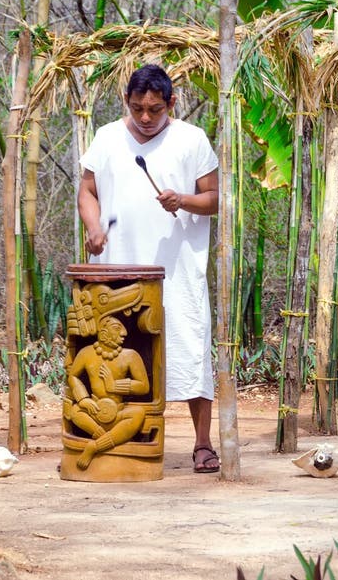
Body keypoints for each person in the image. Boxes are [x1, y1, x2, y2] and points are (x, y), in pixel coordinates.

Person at [77, 64, 221, 473]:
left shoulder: (192, 140)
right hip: (117, 269)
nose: (144, 117)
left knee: (189, 347)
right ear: (127, 101)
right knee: (116, 356)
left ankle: (203, 445)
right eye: (137, 108)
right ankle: (114, 442)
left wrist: (184, 201)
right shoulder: (106, 137)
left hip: (176, 269)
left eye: (154, 109)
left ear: (172, 103)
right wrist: (93, 228)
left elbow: (214, 198)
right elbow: (87, 192)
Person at [66, 316, 151, 470]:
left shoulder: (130, 356)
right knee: (75, 411)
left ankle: (96, 447)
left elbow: (144, 386)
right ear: (104, 333)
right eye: (117, 329)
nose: (124, 333)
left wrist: (114, 386)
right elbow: (73, 375)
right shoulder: (87, 353)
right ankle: (110, 440)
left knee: (138, 414)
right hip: (95, 410)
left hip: (118, 411)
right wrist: (84, 399)